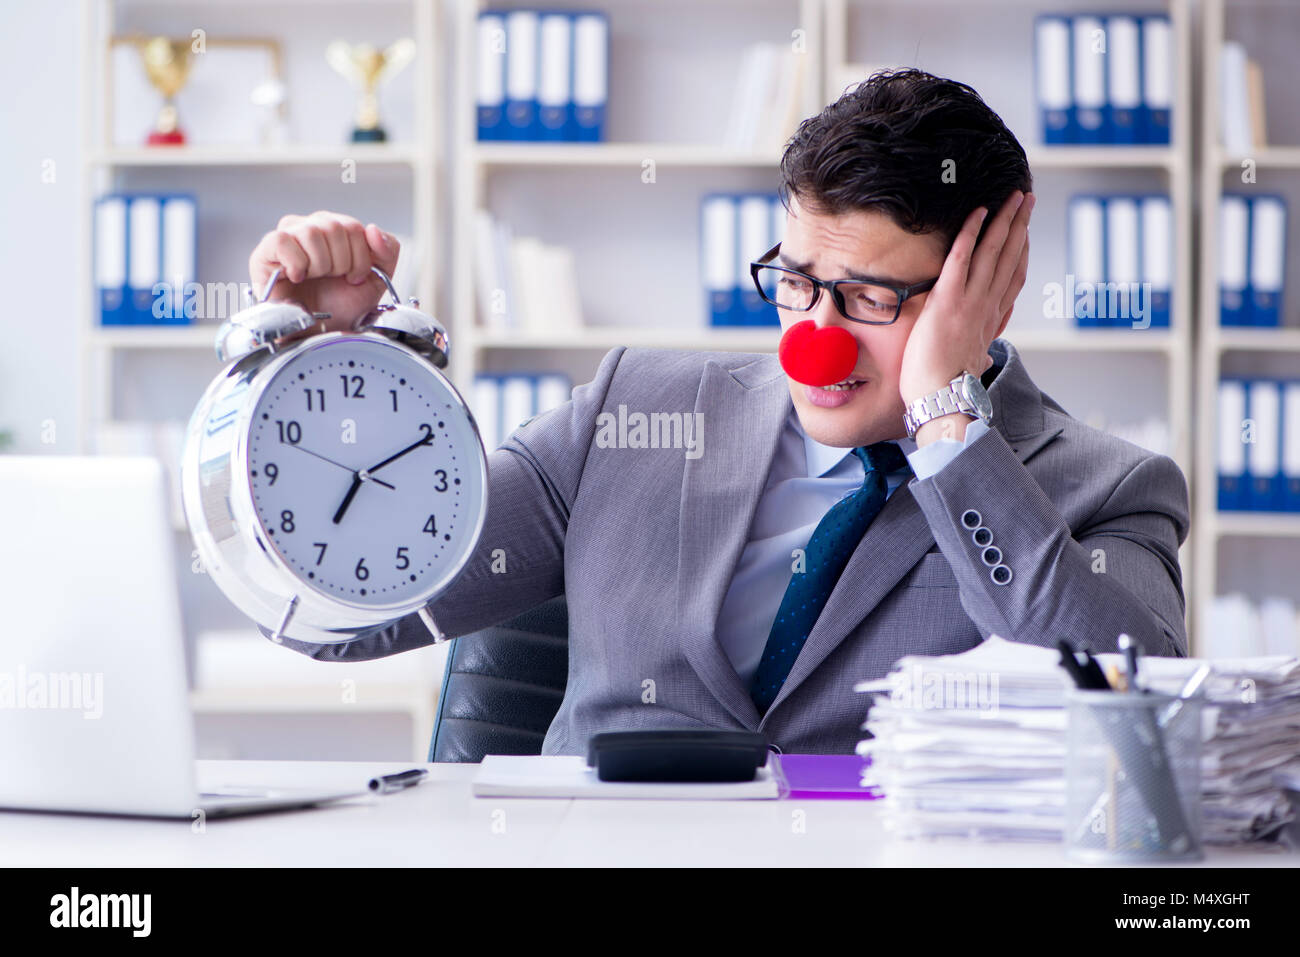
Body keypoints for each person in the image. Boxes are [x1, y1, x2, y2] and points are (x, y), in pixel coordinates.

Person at [248, 69, 1189, 755]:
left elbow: (1131, 715)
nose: (812, 340)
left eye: (868, 298)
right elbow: (338, 617)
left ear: (986, 293)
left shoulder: (1107, 489)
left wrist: (947, 416)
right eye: (795, 282)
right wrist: (329, 371)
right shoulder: (631, 409)